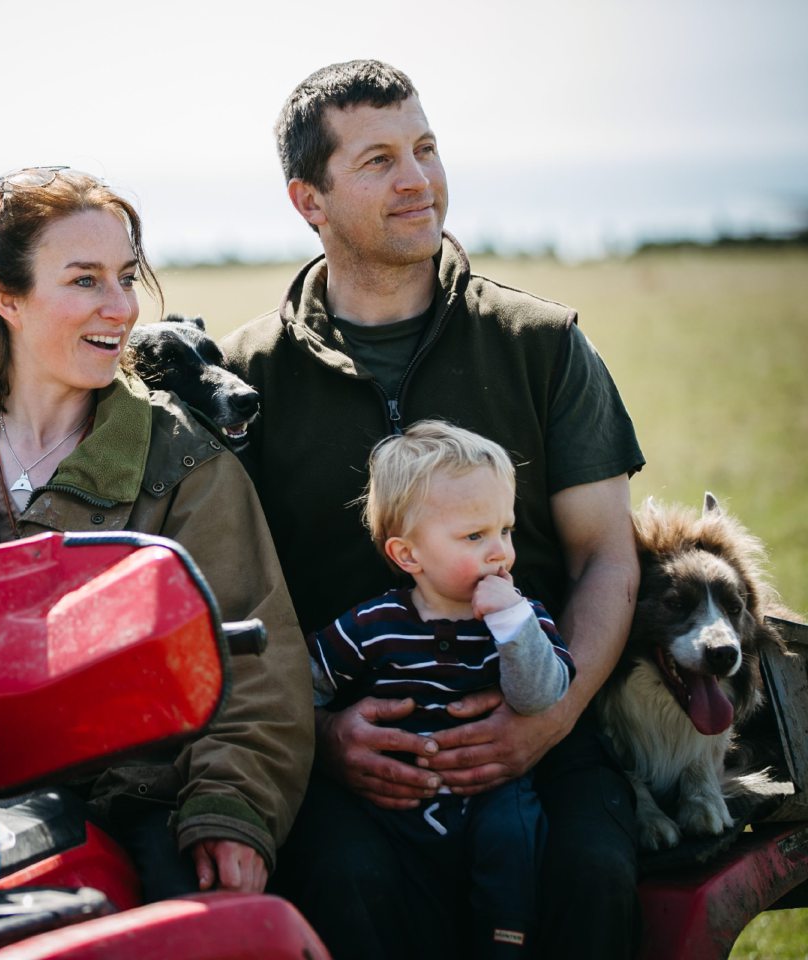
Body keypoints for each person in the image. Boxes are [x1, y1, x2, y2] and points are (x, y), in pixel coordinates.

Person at [221, 61, 645, 959]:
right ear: (309, 199)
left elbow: (606, 557)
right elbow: (234, 602)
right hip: (340, 753)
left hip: (545, 727)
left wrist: (546, 723)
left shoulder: (542, 345)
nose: (417, 179)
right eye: (377, 160)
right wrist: (322, 736)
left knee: (592, 875)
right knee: (346, 890)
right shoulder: (245, 380)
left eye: (425, 148)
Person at [0, 166, 312, 900]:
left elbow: (260, 666)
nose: (121, 307)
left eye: (126, 277)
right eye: (85, 280)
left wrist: (230, 811)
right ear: (6, 298)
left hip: (139, 815)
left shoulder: (183, 463)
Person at [308, 420, 573, 957]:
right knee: (383, 869)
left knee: (511, 832)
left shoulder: (524, 618)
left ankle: (507, 941)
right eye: (475, 537)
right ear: (409, 556)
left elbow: (540, 697)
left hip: (492, 790)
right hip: (401, 795)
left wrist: (514, 627)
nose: (500, 551)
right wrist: (324, 729)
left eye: (506, 530)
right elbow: (304, 680)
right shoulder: (374, 624)